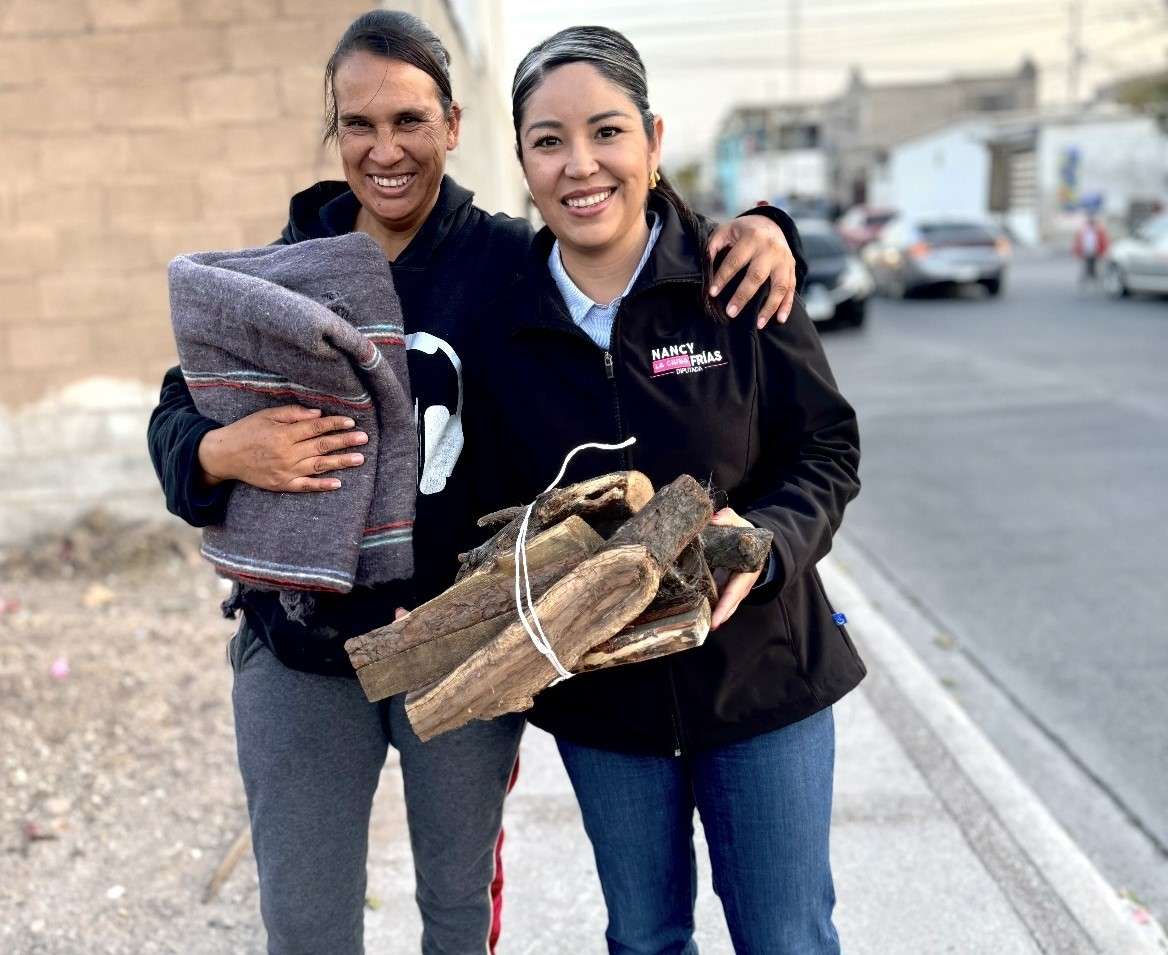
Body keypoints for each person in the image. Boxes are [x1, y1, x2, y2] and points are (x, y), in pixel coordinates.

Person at [147, 11, 805, 955]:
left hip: (464, 640)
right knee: (303, 927)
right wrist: (219, 454)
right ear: (334, 133)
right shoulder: (283, 271)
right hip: (300, 647)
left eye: (409, 121)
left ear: (453, 126)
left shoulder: (507, 263)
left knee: (457, 912)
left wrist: (764, 229)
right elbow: (177, 411)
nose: (385, 150)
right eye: (359, 125)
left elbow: (634, 247)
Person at [463, 26, 863, 954]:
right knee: (643, 939)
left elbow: (827, 452)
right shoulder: (500, 326)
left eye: (607, 132)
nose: (581, 165)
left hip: (767, 676)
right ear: (521, 160)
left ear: (652, 139)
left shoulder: (737, 284)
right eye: (548, 141)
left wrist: (761, 543)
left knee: (786, 937)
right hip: (607, 705)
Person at [1073, 211, 1109, 289]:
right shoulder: (1083, 231)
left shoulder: (1098, 231)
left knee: (1095, 269)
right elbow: (1078, 242)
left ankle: (1097, 284)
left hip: (1095, 252)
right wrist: (1077, 251)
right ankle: (1083, 284)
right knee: (1086, 269)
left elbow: (1103, 242)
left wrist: (1103, 252)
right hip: (1086, 252)